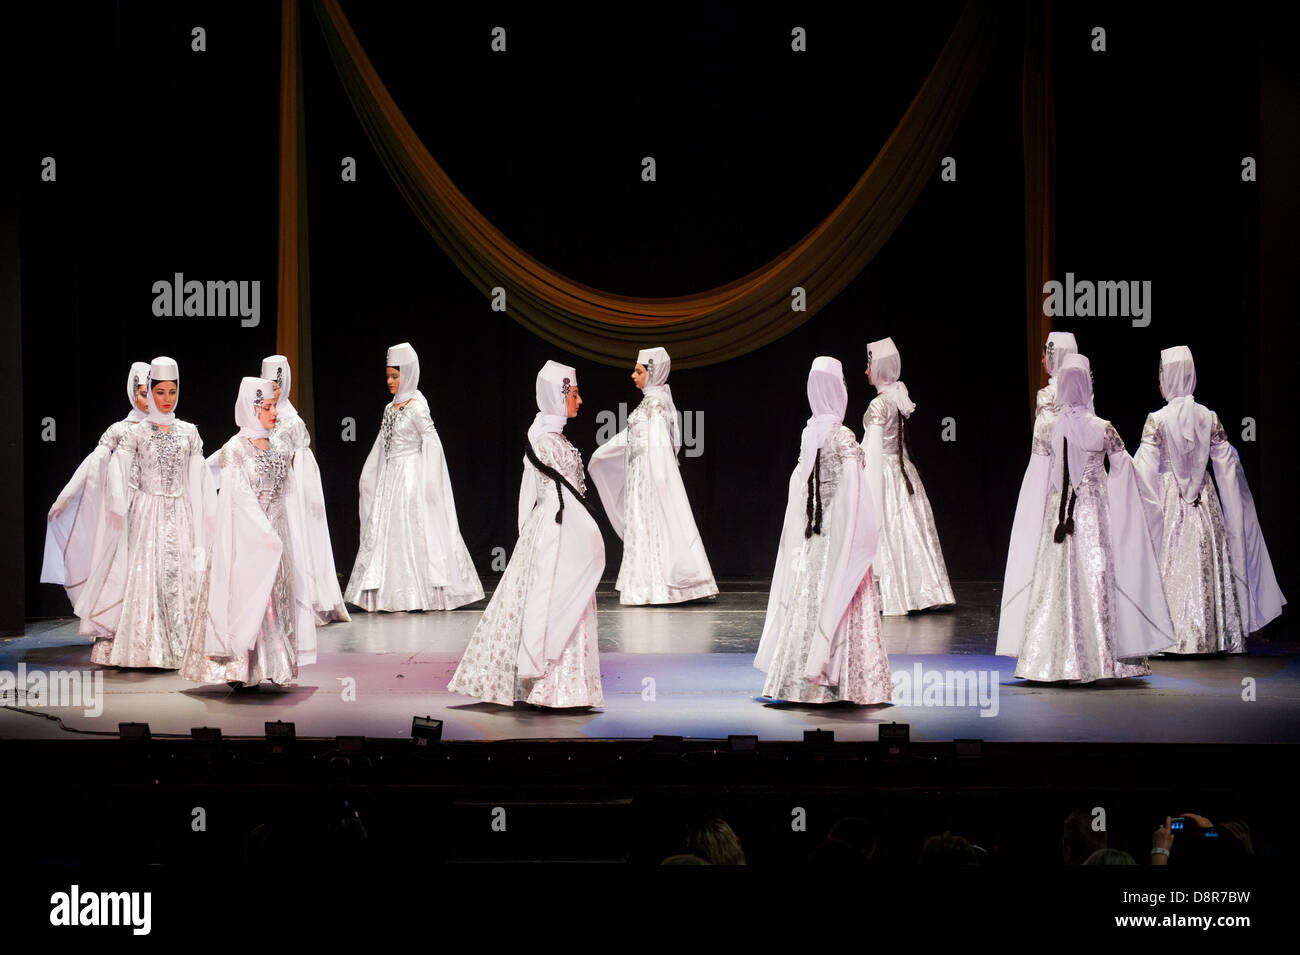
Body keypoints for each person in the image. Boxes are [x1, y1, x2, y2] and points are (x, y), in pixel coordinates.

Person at [996, 354, 1174, 682]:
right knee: (1096, 579)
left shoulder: (1047, 427)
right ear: (1087, 383)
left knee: (1057, 580)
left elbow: (1037, 478)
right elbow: (1126, 472)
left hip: (1058, 516)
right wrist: (1136, 509)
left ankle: (1054, 659)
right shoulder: (1103, 428)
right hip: (1094, 513)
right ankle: (1102, 659)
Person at [447, 361, 605, 707]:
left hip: (560, 529)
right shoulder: (546, 442)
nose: (580, 401)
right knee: (553, 601)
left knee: (567, 600)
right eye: (574, 394)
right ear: (558, 395)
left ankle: (561, 686)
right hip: (556, 531)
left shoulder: (552, 439)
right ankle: (550, 687)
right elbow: (539, 493)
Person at [754, 356, 891, 704]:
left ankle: (801, 683)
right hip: (837, 535)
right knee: (843, 597)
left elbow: (800, 490)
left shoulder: (809, 434)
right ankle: (845, 683)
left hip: (814, 539)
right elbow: (855, 493)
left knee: (809, 598)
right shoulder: (842, 437)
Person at [1132, 346, 1284, 653]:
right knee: (1205, 559)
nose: (1160, 381)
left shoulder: (1157, 420)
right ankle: (1212, 635)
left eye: (1162, 375)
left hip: (1170, 502)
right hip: (1204, 502)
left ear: (1171, 377)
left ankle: (1168, 637)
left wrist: (1134, 503)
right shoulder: (1209, 417)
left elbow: (1144, 471)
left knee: (1172, 561)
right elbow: (1228, 468)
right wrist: (1236, 506)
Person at [81, 356, 216, 667]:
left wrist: (204, 521)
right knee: (147, 578)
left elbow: (199, 482)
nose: (166, 399)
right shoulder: (136, 432)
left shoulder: (188, 432)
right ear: (150, 391)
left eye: (172, 392)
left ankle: (185, 647)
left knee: (181, 578)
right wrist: (120, 508)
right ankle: (147, 648)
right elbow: (119, 473)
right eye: (160, 392)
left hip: (181, 512)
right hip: (146, 515)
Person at [181, 377, 316, 686]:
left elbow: (289, 493)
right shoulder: (235, 450)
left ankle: (273, 664)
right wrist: (263, 536)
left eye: (273, 407)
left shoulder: (281, 447)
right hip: (246, 539)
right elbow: (235, 499)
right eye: (267, 408)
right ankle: (241, 669)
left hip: (276, 535)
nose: (274, 414)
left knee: (274, 601)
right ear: (251, 409)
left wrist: (289, 534)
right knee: (251, 600)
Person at [345, 342, 483, 611]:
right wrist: (369, 474)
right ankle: (389, 594)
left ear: (407, 374)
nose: (390, 381)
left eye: (395, 376)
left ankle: (420, 593)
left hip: (411, 477)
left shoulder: (418, 407)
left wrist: (432, 480)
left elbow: (432, 442)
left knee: (413, 530)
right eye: (388, 376)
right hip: (390, 477)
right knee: (387, 533)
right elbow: (381, 445)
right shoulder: (389, 409)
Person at [588, 347, 717, 605]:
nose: (633, 375)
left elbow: (659, 443)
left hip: (649, 477)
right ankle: (647, 583)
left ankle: (658, 586)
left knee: (654, 524)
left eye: (639, 371)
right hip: (641, 477)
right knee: (645, 526)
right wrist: (602, 452)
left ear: (653, 372)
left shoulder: (656, 404)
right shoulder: (649, 402)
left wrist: (660, 477)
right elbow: (630, 436)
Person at [41, 361, 150, 625]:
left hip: (155, 508)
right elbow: (92, 464)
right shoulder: (119, 430)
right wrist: (65, 497)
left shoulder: (165, 430)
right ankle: (118, 624)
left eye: (152, 392)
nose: (148, 400)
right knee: (121, 566)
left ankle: (149, 626)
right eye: (143, 393)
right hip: (123, 509)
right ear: (132, 392)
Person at [860, 337, 954, 614]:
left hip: (885, 470)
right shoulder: (897, 398)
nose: (865, 372)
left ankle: (891, 593)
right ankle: (921, 591)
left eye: (869, 366)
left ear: (878, 368)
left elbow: (874, 446)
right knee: (907, 531)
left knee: (887, 528)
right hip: (902, 470)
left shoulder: (879, 404)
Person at [261, 355, 350, 627]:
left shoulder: (292, 422)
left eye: (277, 385)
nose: (272, 390)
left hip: (291, 494)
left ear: (285, 385)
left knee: (296, 542)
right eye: (267, 384)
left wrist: (306, 500)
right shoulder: (262, 418)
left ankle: (301, 601)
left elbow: (303, 466)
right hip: (267, 491)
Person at [1035, 331, 1091, 420]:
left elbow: (1044, 430)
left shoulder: (1047, 394)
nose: (1042, 361)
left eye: (1044, 356)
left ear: (1053, 358)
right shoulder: (1083, 389)